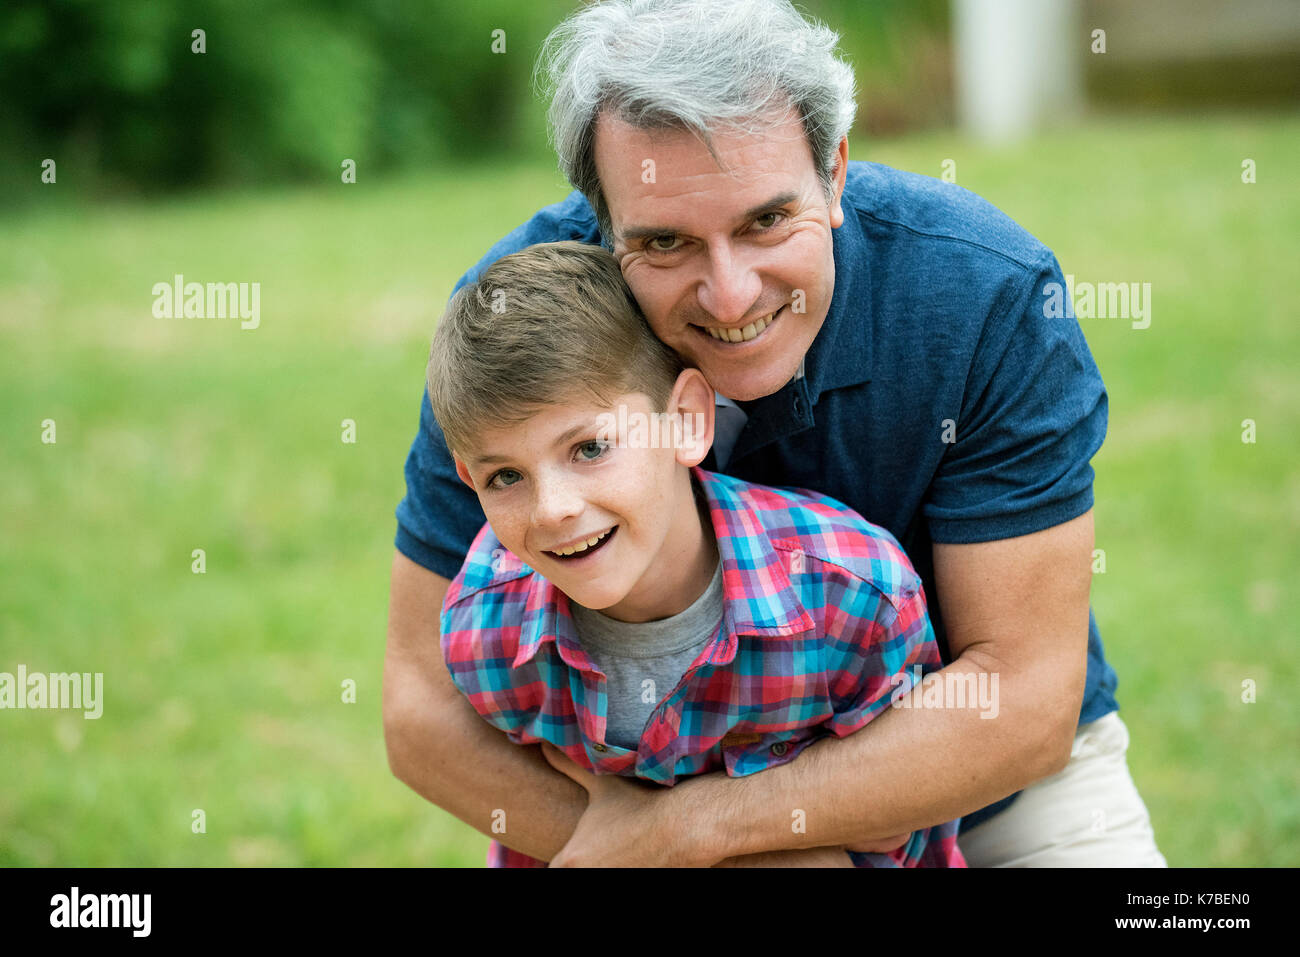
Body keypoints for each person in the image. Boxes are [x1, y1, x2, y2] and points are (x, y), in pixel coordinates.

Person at [384, 0, 1167, 866]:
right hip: (615, 803)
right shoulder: (517, 336)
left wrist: (702, 831)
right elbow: (422, 710)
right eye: (666, 241)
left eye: (764, 221)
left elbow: (1022, 699)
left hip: (980, 787)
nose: (729, 293)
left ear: (833, 173)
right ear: (600, 218)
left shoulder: (985, 297)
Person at [426, 240, 966, 868]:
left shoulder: (854, 599)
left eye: (591, 449)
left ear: (685, 420)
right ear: (469, 480)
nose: (552, 509)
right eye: (506, 478)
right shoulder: (484, 633)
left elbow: (905, 818)